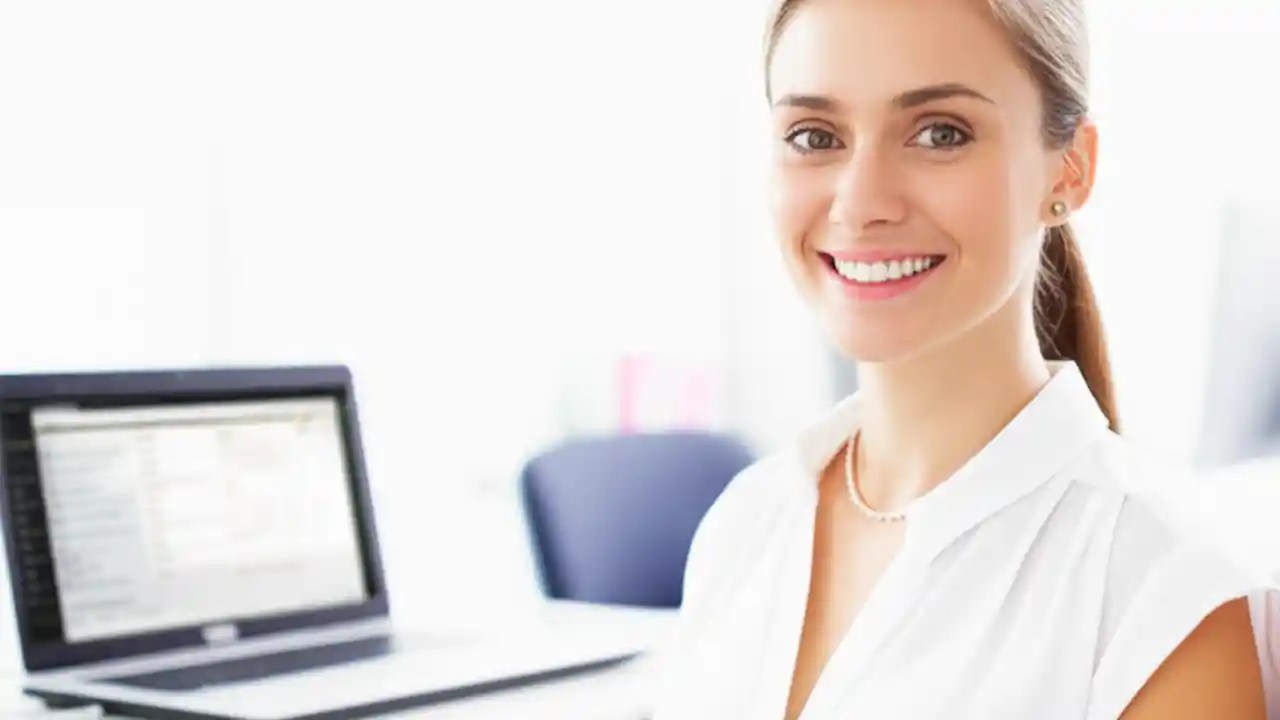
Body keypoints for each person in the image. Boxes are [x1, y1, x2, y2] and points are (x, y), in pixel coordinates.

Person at [652, 0, 1272, 717]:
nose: (860, 202)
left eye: (940, 133)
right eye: (814, 136)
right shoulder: (744, 524)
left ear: (1069, 170)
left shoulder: (1163, 593)